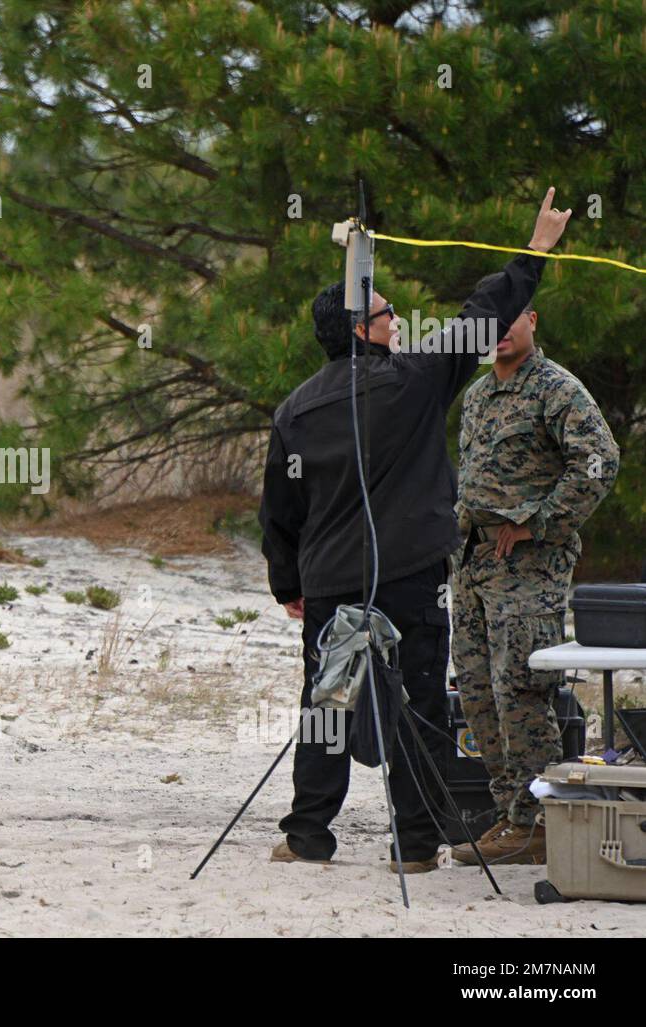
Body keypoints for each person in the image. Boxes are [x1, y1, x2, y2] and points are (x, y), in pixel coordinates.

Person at [258, 188, 572, 872]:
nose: (397, 318)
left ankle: (309, 834)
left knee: (328, 707)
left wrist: (289, 583)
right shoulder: (415, 380)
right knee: (416, 708)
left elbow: (278, 512)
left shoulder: (294, 413)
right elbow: (481, 316)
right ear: (360, 329)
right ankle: (417, 844)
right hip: (408, 580)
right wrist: (536, 250)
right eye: (384, 312)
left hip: (332, 583)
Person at [448, 292, 618, 866]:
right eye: (490, 323)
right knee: (476, 695)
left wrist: (538, 522)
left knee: (519, 692)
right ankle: (510, 817)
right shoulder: (478, 395)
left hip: (529, 570)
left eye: (510, 319)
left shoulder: (556, 388)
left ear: (531, 322)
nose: (499, 331)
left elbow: (599, 461)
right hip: (474, 568)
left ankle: (542, 821)